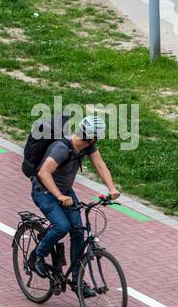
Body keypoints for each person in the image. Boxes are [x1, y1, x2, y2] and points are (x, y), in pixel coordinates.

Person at [30, 114, 121, 289]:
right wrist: (59, 197)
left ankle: (77, 280)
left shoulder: (87, 146)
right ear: (91, 137)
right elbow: (43, 173)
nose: (96, 141)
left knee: (78, 231)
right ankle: (37, 257)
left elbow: (100, 164)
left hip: (65, 192)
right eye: (97, 138)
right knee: (62, 226)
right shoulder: (62, 148)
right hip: (44, 191)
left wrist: (111, 188)